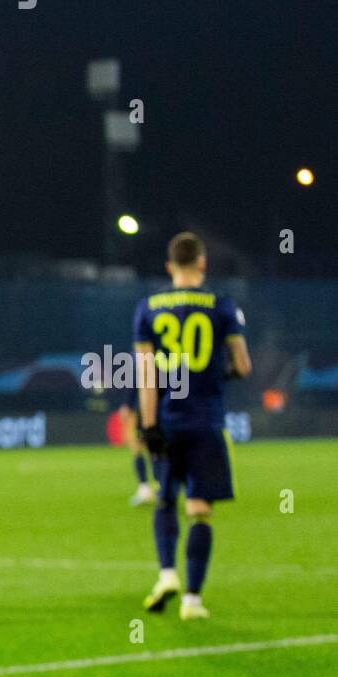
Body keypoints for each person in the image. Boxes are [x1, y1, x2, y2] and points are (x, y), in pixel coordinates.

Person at [136, 232, 251, 620]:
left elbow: (146, 376)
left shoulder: (149, 308)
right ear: (202, 263)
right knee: (199, 509)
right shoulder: (222, 306)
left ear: (170, 266)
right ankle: (192, 600)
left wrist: (149, 426)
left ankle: (167, 573)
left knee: (166, 498)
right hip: (206, 422)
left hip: (167, 419)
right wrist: (220, 372)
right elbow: (243, 365)